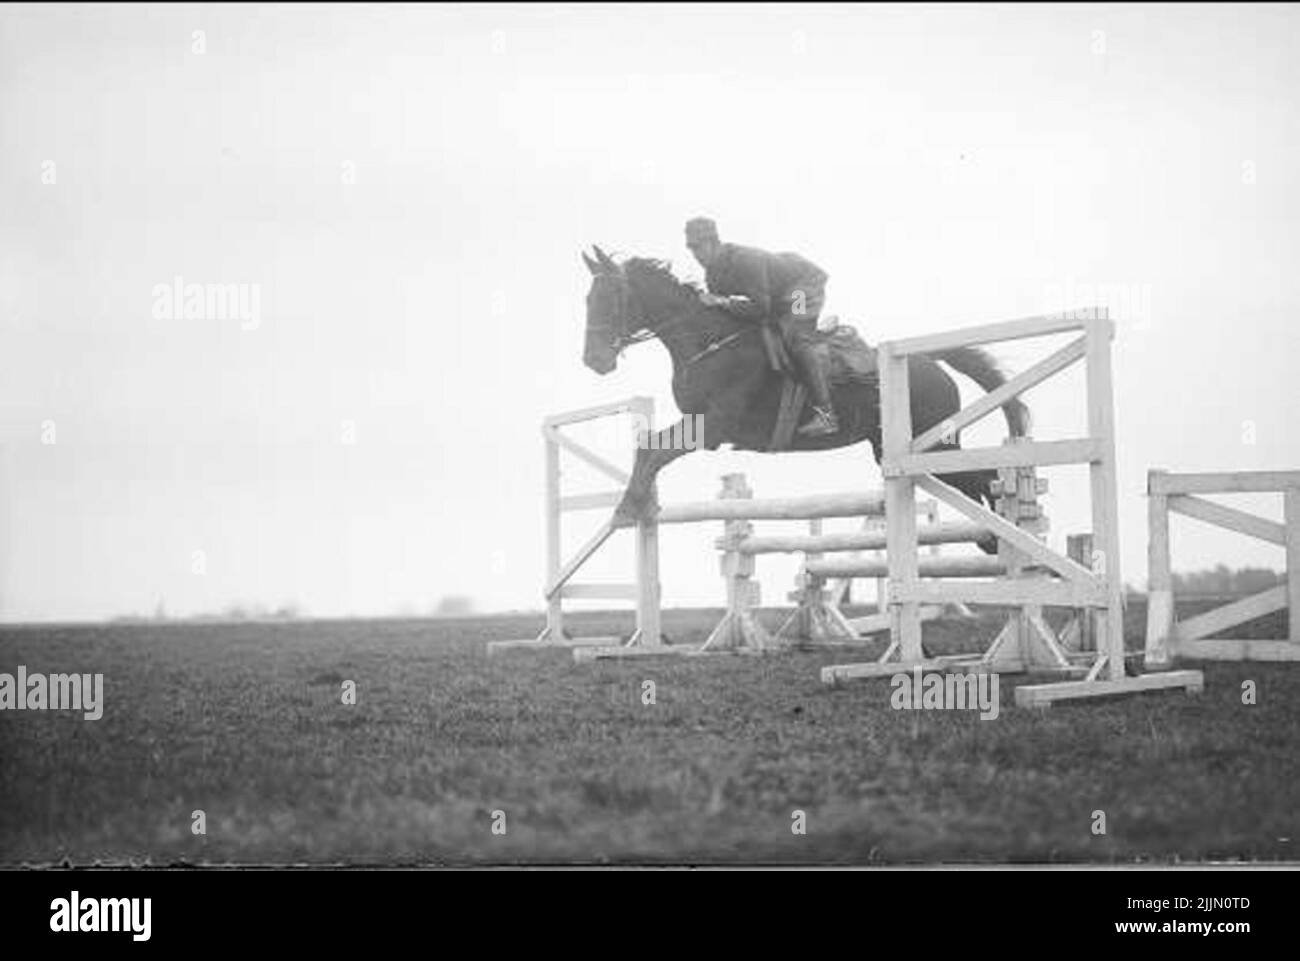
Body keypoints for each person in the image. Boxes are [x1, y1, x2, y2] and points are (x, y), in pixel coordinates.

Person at [684, 216, 839, 436]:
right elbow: (723, 317)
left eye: (699, 247)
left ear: (714, 242)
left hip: (803, 284)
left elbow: (761, 308)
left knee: (794, 336)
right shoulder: (712, 274)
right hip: (776, 295)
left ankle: (827, 413)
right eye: (692, 249)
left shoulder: (746, 260)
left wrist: (723, 302)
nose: (697, 255)